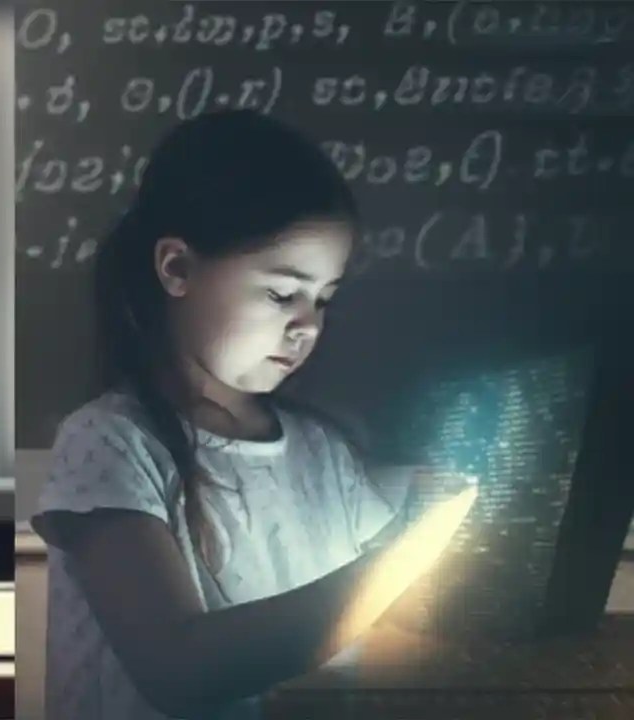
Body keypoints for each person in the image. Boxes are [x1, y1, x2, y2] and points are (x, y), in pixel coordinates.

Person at [31, 110, 403, 720]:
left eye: (324, 298)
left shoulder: (326, 455)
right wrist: (395, 568)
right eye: (283, 293)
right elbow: (180, 671)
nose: (308, 324)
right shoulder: (110, 444)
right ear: (177, 268)